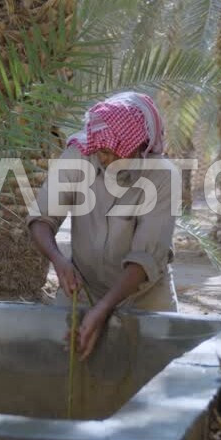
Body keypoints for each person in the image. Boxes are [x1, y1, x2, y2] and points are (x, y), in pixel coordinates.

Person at [27, 92, 179, 361]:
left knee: (151, 370)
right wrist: (58, 260)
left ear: (138, 146)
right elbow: (41, 218)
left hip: (144, 296)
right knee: (64, 367)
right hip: (82, 291)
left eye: (111, 152)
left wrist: (103, 310)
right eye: (100, 150)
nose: (104, 158)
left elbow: (144, 260)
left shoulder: (164, 177)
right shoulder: (80, 155)